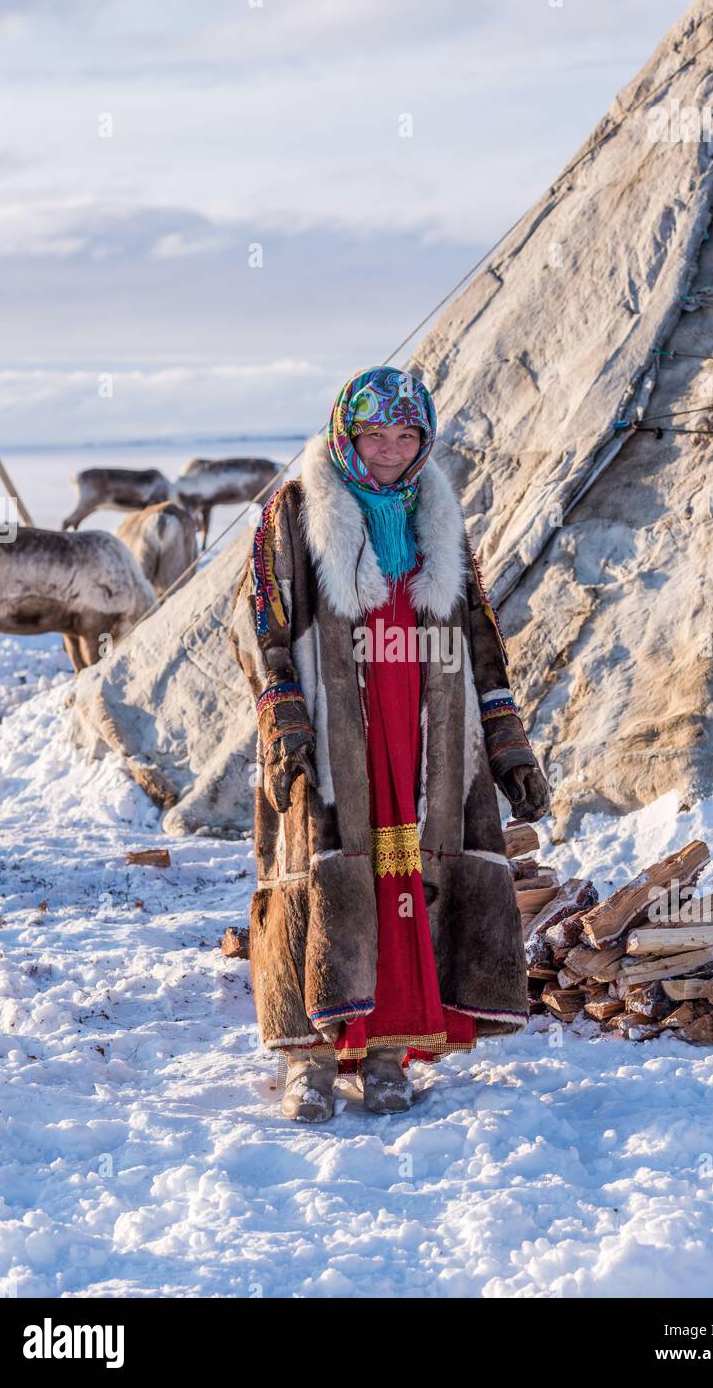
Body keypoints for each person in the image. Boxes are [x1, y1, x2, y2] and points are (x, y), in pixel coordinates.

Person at [229, 366, 550, 1123]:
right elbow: (258, 621)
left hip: (424, 730)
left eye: (405, 435)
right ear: (348, 434)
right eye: (374, 434)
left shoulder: (439, 515)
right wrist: (283, 716)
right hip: (333, 730)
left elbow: (480, 635)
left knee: (401, 885)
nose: (389, 450)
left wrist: (504, 741)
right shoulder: (297, 508)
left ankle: (384, 1050)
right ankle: (309, 1060)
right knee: (317, 874)